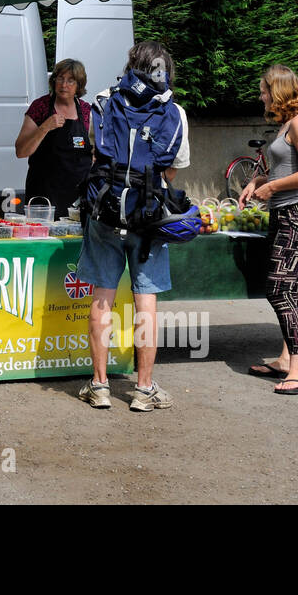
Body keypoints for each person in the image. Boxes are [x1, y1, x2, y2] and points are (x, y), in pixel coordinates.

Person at [76, 40, 189, 412]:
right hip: (149, 216)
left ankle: (100, 385)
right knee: (146, 304)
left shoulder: (104, 101)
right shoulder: (174, 111)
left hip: (106, 212)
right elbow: (171, 170)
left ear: (131, 63)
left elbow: (97, 155)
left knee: (102, 299)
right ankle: (143, 390)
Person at [239, 64, 298, 395]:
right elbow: (284, 168)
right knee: (289, 287)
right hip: (284, 214)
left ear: (277, 92)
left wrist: (272, 189)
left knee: (278, 288)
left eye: (263, 91)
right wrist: (258, 181)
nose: (260, 96)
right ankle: (287, 359)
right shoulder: (286, 124)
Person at [14, 58, 93, 216]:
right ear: (53, 80)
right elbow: (21, 151)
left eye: (71, 81)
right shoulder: (40, 107)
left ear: (79, 85)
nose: (64, 85)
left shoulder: (87, 111)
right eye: (60, 79)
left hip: (78, 198)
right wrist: (44, 128)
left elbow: (96, 153)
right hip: (44, 196)